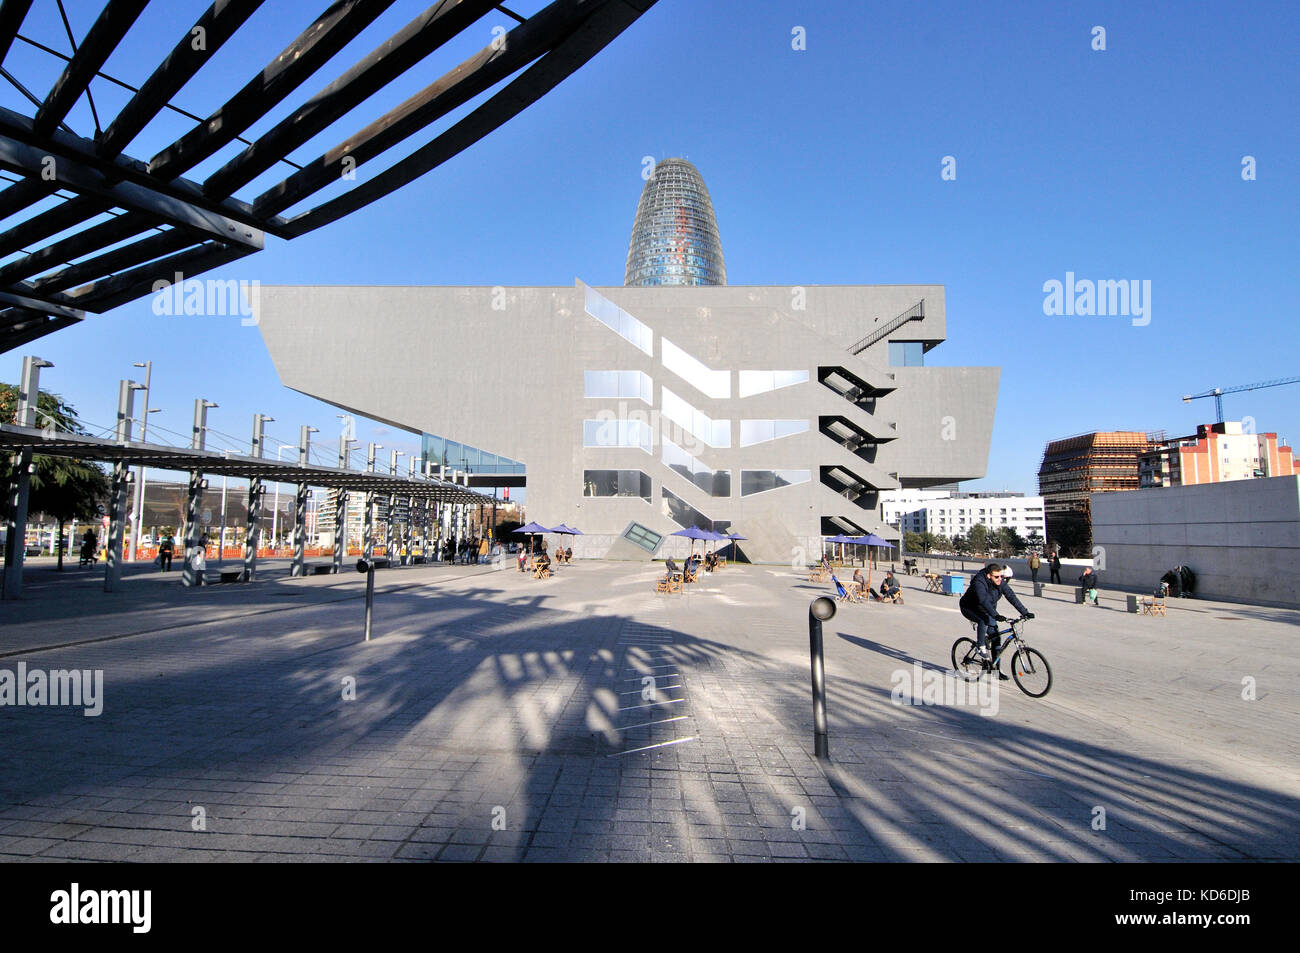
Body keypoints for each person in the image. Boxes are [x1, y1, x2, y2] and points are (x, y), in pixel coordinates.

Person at [959, 562, 1033, 679]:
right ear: (989, 576)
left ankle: (996, 671)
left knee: (996, 638)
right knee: (984, 619)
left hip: (988, 610)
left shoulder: (1000, 582)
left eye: (1001, 576)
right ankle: (980, 646)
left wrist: (1025, 612)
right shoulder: (979, 581)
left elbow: (1011, 596)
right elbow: (983, 600)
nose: (1000, 579)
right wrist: (995, 615)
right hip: (969, 607)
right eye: (997, 577)